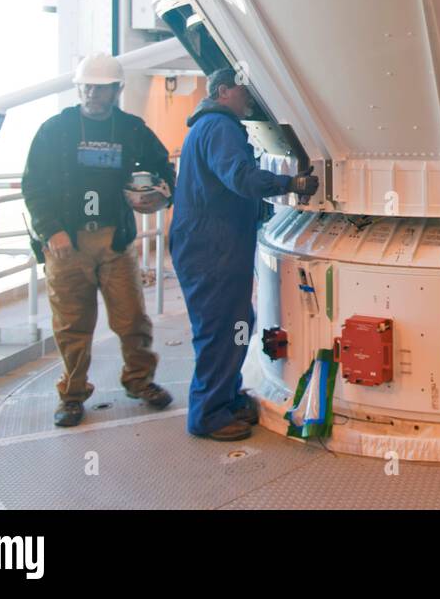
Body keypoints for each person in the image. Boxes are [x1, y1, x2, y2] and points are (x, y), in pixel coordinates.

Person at [21, 52, 176, 428]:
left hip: (115, 242)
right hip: (66, 244)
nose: (92, 92)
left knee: (132, 319)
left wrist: (161, 193)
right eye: (86, 86)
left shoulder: (131, 129)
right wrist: (51, 230)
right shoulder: (54, 130)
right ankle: (72, 394)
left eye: (101, 87)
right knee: (72, 325)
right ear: (78, 88)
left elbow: (163, 167)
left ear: (116, 90)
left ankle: (139, 381)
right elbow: (33, 185)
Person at [170, 68, 319, 441]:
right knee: (219, 330)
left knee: (236, 324)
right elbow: (240, 177)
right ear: (223, 91)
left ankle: (225, 396)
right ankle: (207, 414)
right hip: (211, 251)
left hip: (214, 247)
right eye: (242, 90)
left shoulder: (209, 126)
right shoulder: (219, 127)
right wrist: (291, 184)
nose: (248, 97)